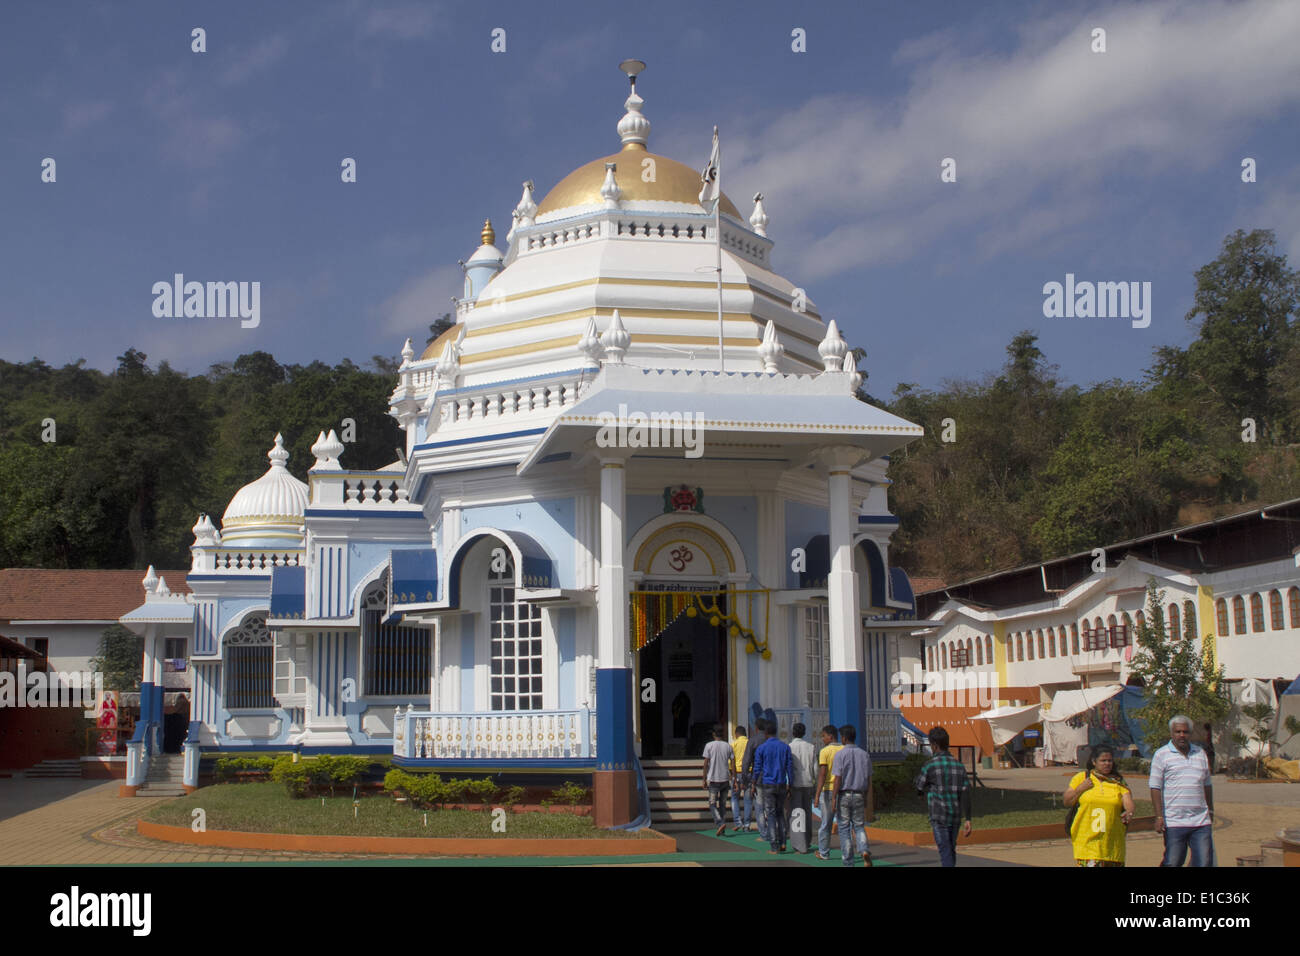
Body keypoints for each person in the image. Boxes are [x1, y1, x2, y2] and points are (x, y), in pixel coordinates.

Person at [1149, 714, 1215, 867]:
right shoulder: (1161, 755)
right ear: (1171, 733)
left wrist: (1210, 810)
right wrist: (1159, 816)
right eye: (1178, 732)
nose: (1182, 735)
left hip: (1200, 821)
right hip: (1174, 821)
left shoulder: (1200, 754)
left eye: (1185, 732)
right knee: (1173, 862)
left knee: (1204, 862)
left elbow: (1207, 784)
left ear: (1190, 733)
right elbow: (1155, 787)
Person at [1064, 744, 1135, 866]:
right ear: (1094, 762)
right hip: (1088, 842)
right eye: (1103, 761)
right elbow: (1067, 801)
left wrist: (1129, 812)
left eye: (1109, 760)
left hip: (1112, 843)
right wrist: (1080, 789)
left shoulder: (1118, 782)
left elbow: (1128, 801)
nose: (1107, 764)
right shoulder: (1082, 778)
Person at [915, 726, 972, 867]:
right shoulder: (959, 766)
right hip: (955, 816)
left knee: (945, 851)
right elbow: (966, 793)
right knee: (950, 849)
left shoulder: (930, 765)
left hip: (939, 816)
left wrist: (921, 794)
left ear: (934, 745)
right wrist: (968, 819)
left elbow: (919, 785)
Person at [830, 724, 873, 866]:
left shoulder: (840, 754)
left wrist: (834, 797)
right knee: (859, 825)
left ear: (843, 738)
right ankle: (864, 849)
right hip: (859, 794)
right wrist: (866, 797)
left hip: (844, 794)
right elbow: (868, 779)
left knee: (844, 828)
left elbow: (838, 778)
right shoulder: (864, 754)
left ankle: (848, 860)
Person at [751, 720, 793, 853]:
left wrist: (753, 783)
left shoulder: (761, 748)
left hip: (768, 784)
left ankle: (774, 846)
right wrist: (790, 783)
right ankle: (783, 842)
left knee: (771, 814)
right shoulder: (785, 747)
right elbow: (789, 767)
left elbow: (757, 768)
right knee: (780, 813)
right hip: (781, 783)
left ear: (766, 733)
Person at [787, 722, 817, 854]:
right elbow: (815, 768)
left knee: (796, 814)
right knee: (807, 813)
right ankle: (807, 840)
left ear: (793, 733)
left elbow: (787, 768)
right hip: (808, 783)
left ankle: (800, 845)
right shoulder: (811, 747)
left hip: (795, 784)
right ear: (804, 733)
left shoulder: (789, 747)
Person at [813, 724, 842, 861]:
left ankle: (824, 852)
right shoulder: (844, 750)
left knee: (826, 823)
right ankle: (846, 852)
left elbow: (822, 774)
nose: (822, 739)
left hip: (828, 791)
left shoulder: (825, 751)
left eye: (823, 736)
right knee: (844, 823)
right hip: (842, 790)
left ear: (830, 736)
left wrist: (817, 794)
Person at [701, 723, 735, 837]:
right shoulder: (728, 746)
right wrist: (734, 777)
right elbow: (733, 762)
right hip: (725, 779)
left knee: (712, 803)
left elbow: (706, 763)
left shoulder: (709, 745)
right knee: (723, 804)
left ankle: (720, 823)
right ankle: (722, 826)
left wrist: (704, 778)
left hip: (714, 779)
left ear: (713, 734)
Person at [730, 724, 753, 832]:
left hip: (737, 773)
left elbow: (731, 762)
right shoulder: (750, 743)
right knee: (748, 799)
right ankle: (747, 825)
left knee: (735, 798)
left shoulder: (733, 744)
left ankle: (738, 822)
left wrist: (732, 775)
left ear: (736, 734)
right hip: (749, 772)